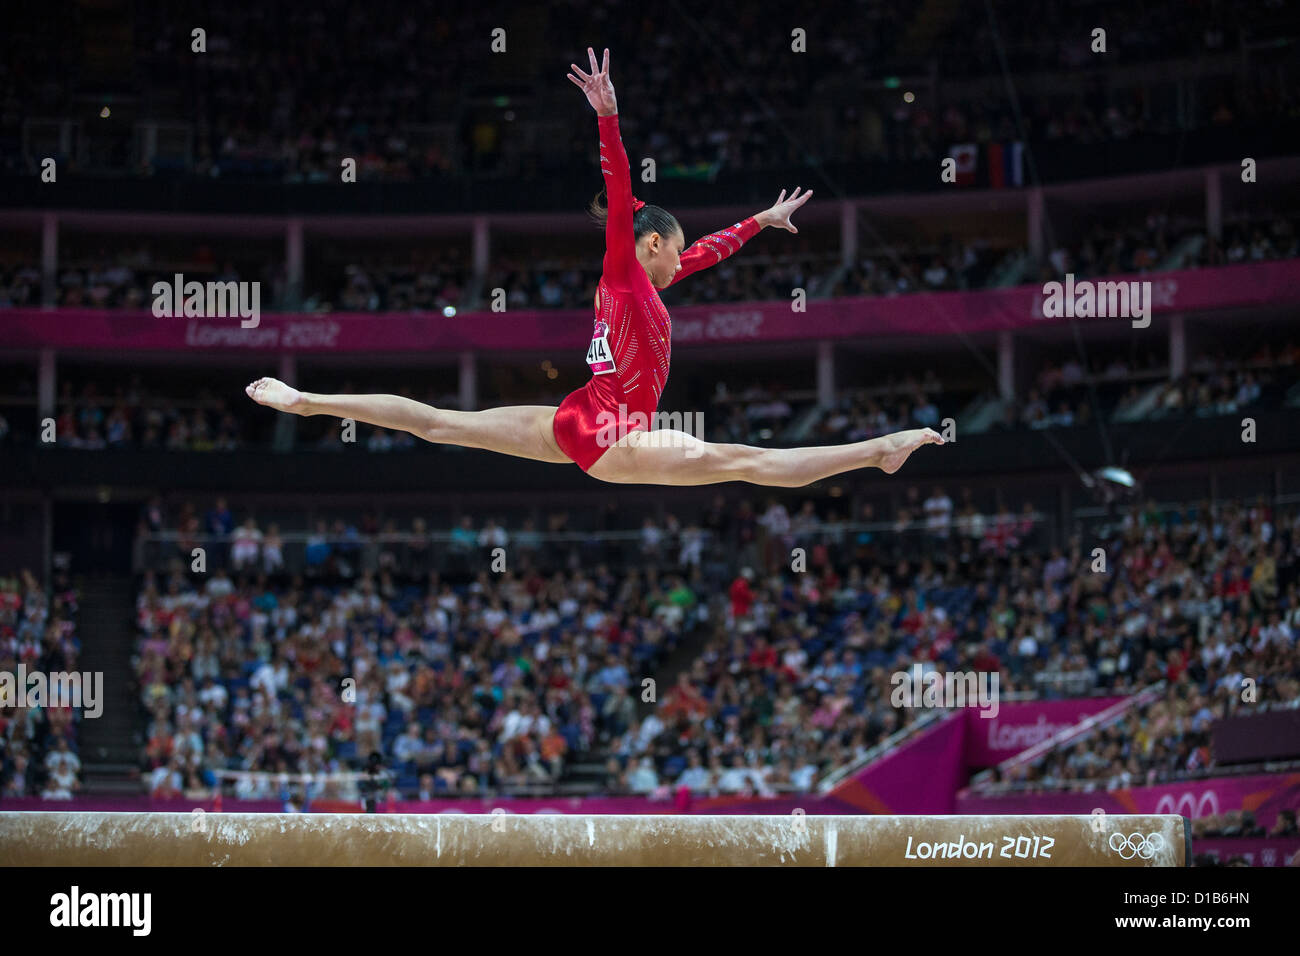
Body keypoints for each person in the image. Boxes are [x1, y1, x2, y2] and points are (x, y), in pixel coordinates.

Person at [245, 48, 943, 487]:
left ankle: (309, 402)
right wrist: (608, 118)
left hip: (573, 419)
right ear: (649, 245)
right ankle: (880, 449)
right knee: (745, 463)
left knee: (440, 423)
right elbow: (618, 193)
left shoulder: (642, 282)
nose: (684, 254)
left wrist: (759, 222)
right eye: (676, 245)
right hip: (616, 437)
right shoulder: (623, 269)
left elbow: (707, 251)